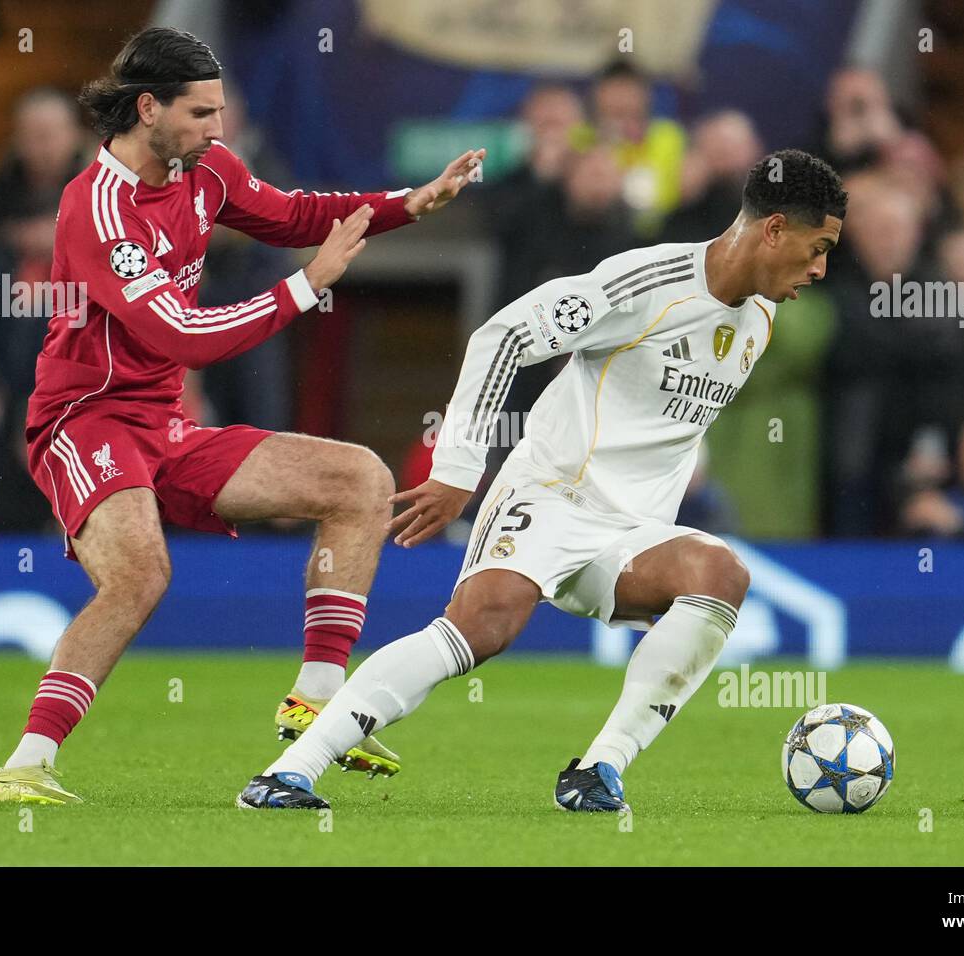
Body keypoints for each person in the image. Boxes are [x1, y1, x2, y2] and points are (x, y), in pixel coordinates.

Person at [240, 149, 846, 812]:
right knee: (481, 630)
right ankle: (288, 773)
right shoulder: (644, 282)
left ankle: (597, 771)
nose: (820, 270)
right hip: (551, 494)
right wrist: (458, 469)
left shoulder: (760, 317)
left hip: (630, 536)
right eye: (818, 248)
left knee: (722, 574)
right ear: (775, 230)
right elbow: (502, 337)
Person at [0, 27, 484, 805]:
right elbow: (181, 334)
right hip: (87, 421)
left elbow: (290, 214)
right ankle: (25, 765)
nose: (220, 128)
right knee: (141, 574)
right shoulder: (97, 210)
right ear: (148, 107)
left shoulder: (206, 169)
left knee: (358, 480)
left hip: (166, 423)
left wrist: (406, 205)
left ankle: (317, 698)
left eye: (221, 111)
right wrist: (306, 287)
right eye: (203, 112)